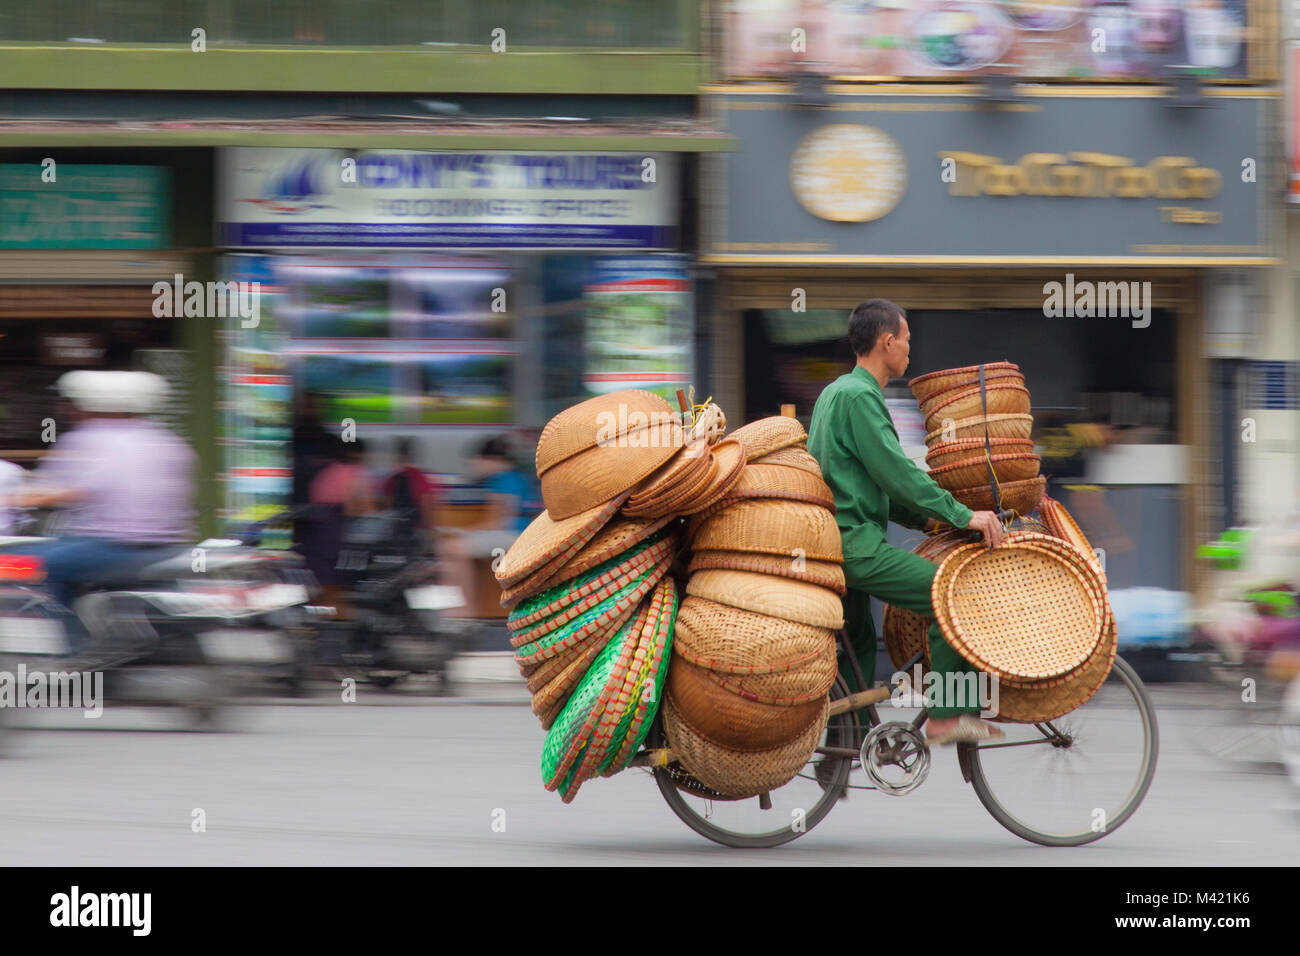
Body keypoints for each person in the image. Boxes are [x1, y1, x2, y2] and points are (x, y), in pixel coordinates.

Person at [807, 299, 1006, 746]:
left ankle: (844, 747)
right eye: (908, 340)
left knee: (857, 643)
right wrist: (962, 513)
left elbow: (870, 484)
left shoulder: (836, 393)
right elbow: (897, 474)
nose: (910, 350)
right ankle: (946, 717)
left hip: (833, 545)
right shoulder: (859, 396)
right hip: (855, 548)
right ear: (887, 341)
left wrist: (933, 523)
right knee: (953, 597)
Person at [12, 370, 197, 650]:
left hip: (111, 547)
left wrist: (18, 498)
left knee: (33, 564)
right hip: (167, 547)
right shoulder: (167, 440)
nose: (67, 408)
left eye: (70, 402)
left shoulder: (91, 438)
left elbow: (68, 491)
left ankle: (76, 647)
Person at [440, 435, 530, 618]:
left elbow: (499, 522)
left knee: (452, 549)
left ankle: (463, 610)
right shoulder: (517, 477)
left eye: (478, 461)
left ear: (492, 460)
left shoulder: (502, 481)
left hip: (514, 535)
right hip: (522, 534)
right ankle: (459, 607)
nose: (475, 466)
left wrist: (462, 531)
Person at [381, 436, 440, 545]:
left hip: (396, 528)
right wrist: (431, 529)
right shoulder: (419, 476)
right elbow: (425, 505)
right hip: (416, 530)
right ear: (412, 456)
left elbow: (387, 506)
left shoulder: (391, 478)